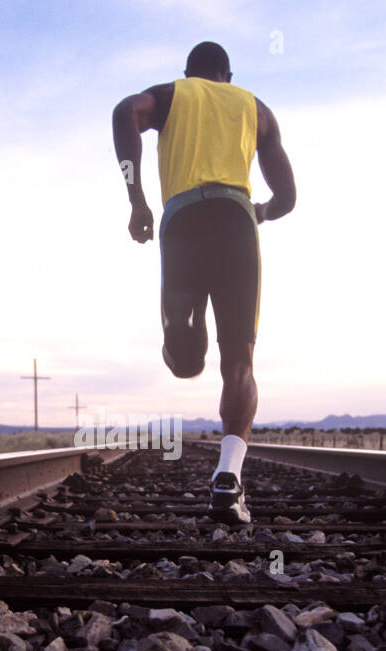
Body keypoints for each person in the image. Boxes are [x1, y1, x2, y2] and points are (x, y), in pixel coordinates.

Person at [112, 40, 296, 524]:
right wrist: (260, 212)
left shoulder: (174, 95)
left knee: (185, 363)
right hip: (236, 220)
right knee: (239, 360)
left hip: (182, 222)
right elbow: (288, 196)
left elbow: (124, 111)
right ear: (227, 78)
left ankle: (181, 323)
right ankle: (228, 477)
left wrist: (136, 198)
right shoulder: (254, 108)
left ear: (189, 73)